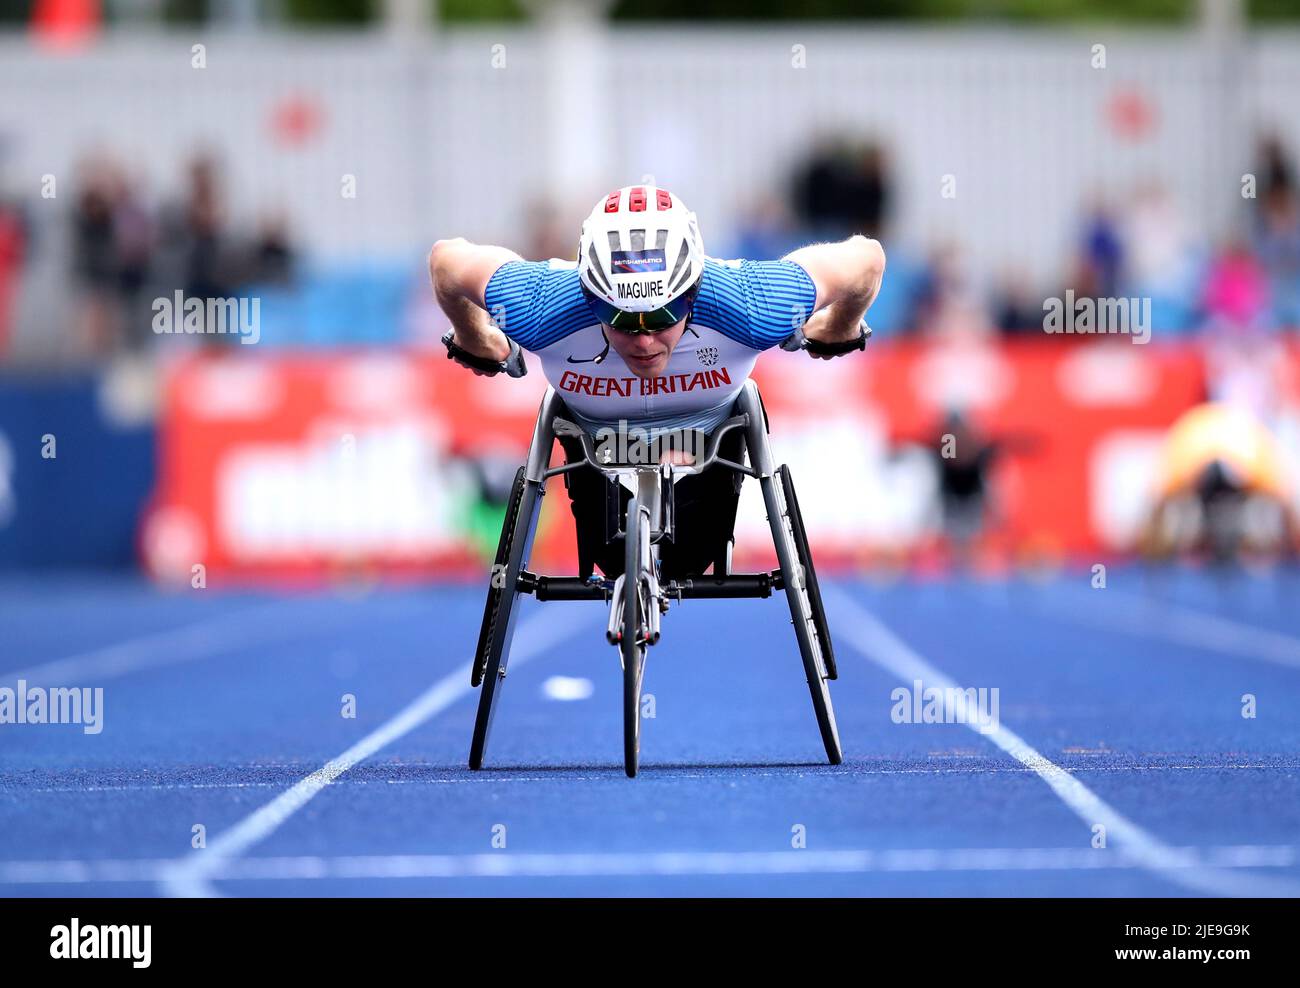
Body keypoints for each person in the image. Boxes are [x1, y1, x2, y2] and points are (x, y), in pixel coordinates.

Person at [429, 184, 884, 579]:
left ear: (693, 292)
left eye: (664, 316)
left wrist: (841, 324)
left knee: (692, 556)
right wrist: (476, 334)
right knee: (611, 559)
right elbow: (446, 261)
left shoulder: (752, 306)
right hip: (592, 443)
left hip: (712, 442)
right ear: (590, 297)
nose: (644, 341)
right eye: (621, 319)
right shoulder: (542, 308)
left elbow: (866, 258)